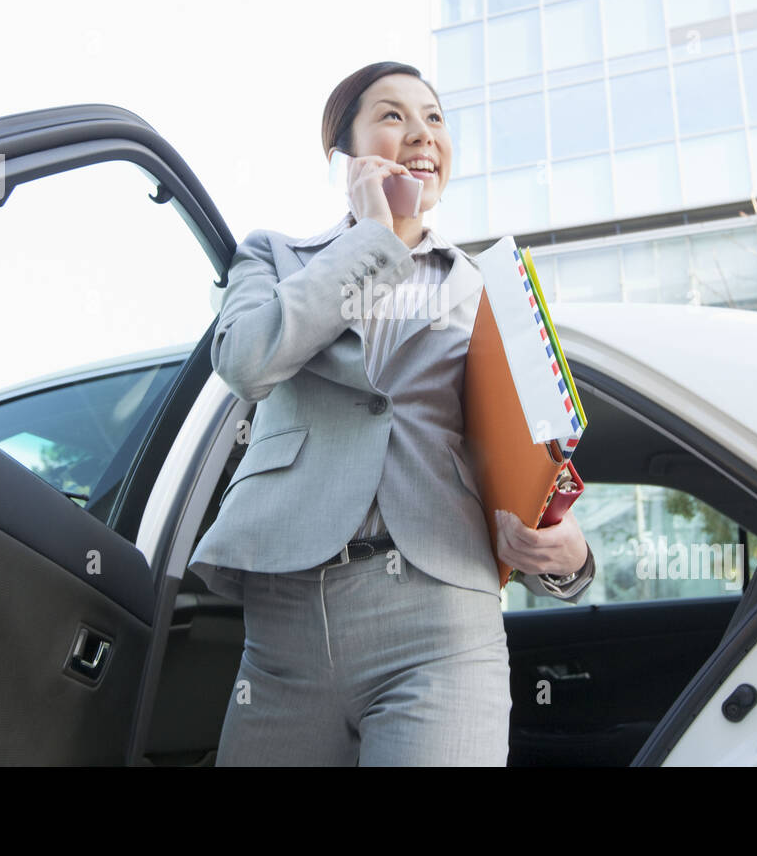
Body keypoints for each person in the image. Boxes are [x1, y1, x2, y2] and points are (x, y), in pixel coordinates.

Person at [187, 61, 596, 766]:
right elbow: (248, 361)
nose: (421, 134)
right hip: (286, 626)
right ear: (343, 154)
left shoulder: (487, 289)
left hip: (440, 618)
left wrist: (570, 558)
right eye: (394, 115)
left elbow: (528, 448)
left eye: (434, 118)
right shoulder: (275, 257)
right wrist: (372, 237)